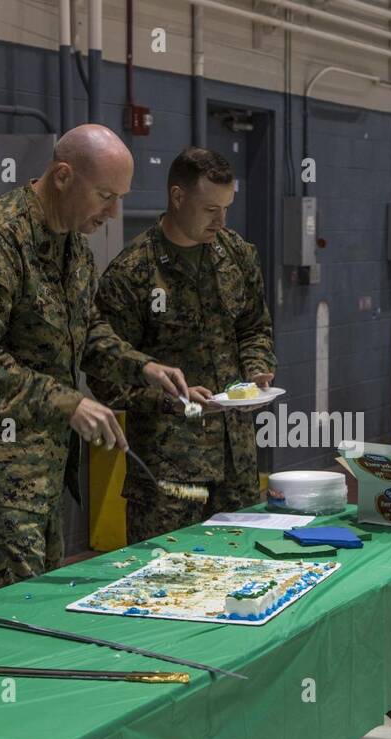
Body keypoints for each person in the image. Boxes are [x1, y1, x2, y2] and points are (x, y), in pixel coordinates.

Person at [0, 125, 190, 599]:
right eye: (106, 196)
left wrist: (142, 367)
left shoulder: (72, 243)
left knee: (40, 620)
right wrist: (68, 403)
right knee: (8, 629)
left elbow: (88, 331)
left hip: (44, 477)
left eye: (120, 199)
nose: (113, 213)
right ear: (63, 176)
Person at [92, 146, 276, 542]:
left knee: (241, 573)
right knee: (165, 581)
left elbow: (254, 326)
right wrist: (171, 397)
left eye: (227, 208)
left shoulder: (237, 256)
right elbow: (106, 377)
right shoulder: (133, 272)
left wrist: (256, 364)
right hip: (169, 476)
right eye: (211, 209)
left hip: (236, 464)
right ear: (178, 197)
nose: (221, 221)